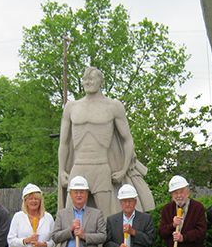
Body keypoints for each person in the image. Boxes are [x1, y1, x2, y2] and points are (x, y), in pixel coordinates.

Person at [58, 66, 154, 217]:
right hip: (78, 166)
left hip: (101, 167)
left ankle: (107, 242)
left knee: (106, 217)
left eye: (91, 79)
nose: (87, 82)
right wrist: (62, 170)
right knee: (69, 217)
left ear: (101, 82)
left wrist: (123, 170)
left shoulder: (113, 106)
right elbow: (63, 144)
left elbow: (127, 140)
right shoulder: (71, 107)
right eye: (84, 79)